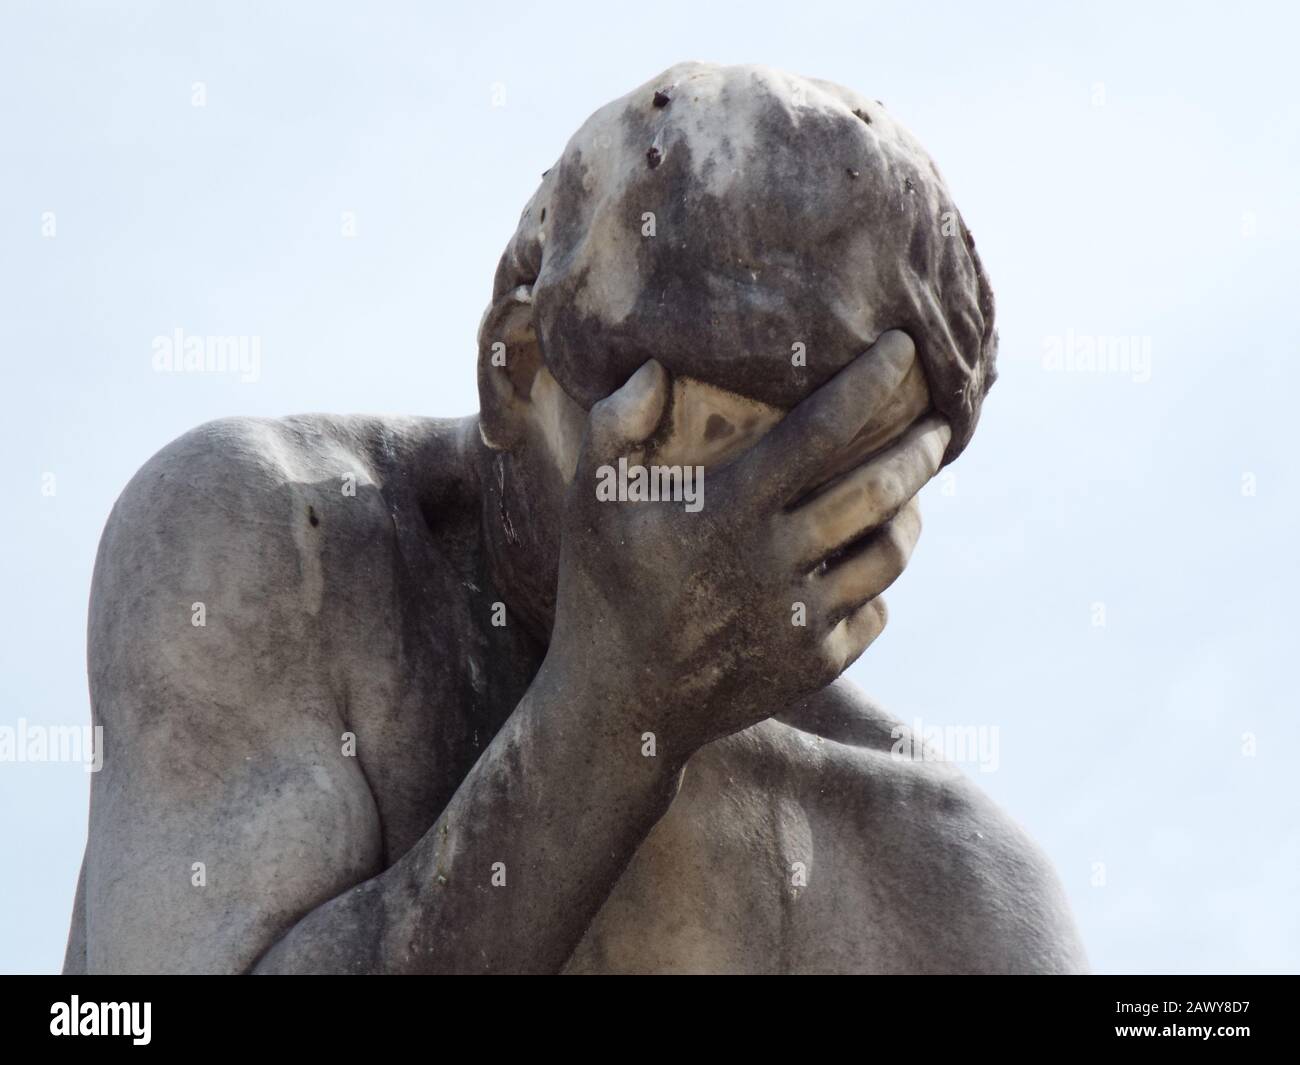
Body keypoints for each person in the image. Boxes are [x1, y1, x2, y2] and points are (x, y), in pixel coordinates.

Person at [64, 63, 1085, 974]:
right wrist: (614, 713)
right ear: (513, 366)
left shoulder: (950, 888)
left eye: (825, 490)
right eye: (692, 455)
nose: (734, 544)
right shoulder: (273, 544)